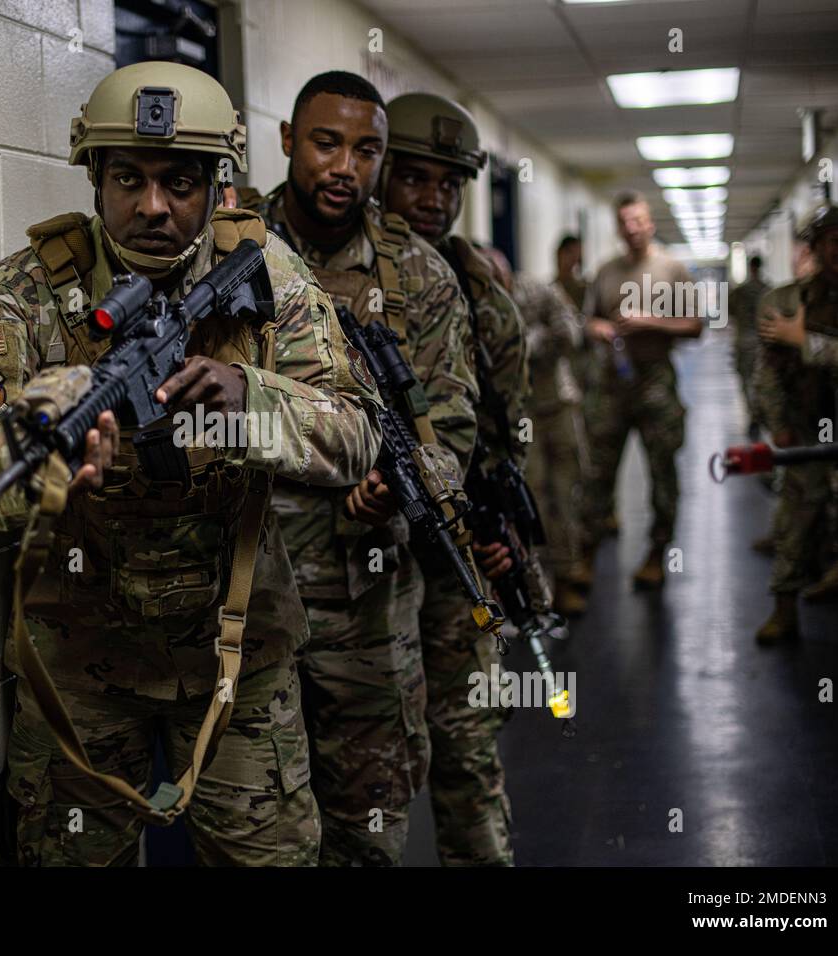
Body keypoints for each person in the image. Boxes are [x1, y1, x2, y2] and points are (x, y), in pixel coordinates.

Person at [0, 62, 382, 865]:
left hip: (241, 658)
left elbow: (362, 434)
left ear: (216, 187)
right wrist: (24, 449)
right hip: (79, 669)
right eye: (128, 178)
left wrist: (254, 398)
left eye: (180, 182)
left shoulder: (270, 278)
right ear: (94, 178)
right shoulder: (25, 294)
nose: (154, 206)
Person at [241, 71, 480, 865]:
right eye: (326, 142)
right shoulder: (227, 248)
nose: (344, 165)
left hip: (366, 600)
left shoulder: (420, 275)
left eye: (366, 149)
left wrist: (404, 491)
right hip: (245, 592)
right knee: (252, 828)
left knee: (367, 824)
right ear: (287, 141)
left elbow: (452, 423)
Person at [381, 91, 530, 866]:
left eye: (449, 184)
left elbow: (505, 437)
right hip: (349, 561)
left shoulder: (479, 288)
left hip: (455, 554)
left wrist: (504, 536)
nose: (434, 199)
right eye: (414, 179)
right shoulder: (304, 266)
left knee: (469, 748)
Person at [754, 204, 838, 643]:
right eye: (834, 242)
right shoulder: (787, 301)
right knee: (798, 519)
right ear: (817, 248)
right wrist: (777, 423)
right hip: (809, 426)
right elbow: (767, 373)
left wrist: (806, 340)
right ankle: (784, 608)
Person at [581, 192, 703, 589]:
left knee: (662, 473)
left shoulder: (671, 269)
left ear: (650, 223)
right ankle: (584, 555)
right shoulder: (606, 272)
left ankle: (657, 553)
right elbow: (589, 319)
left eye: (638, 221)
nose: (631, 229)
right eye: (624, 222)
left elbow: (696, 326)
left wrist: (653, 322)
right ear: (618, 228)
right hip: (613, 384)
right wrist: (597, 328)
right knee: (597, 472)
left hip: (656, 383)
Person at [505, 263, 590, 617]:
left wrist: (531, 341)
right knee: (532, 497)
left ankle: (569, 573)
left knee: (567, 493)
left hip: (557, 405)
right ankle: (539, 585)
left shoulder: (537, 290)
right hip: (520, 411)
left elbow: (571, 333)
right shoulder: (476, 297)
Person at [729, 254, 769, 435]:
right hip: (763, 342)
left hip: (744, 341)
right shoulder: (768, 290)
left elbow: (730, 312)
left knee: (746, 382)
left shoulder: (739, 291)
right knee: (762, 381)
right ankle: (759, 413)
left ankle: (753, 414)